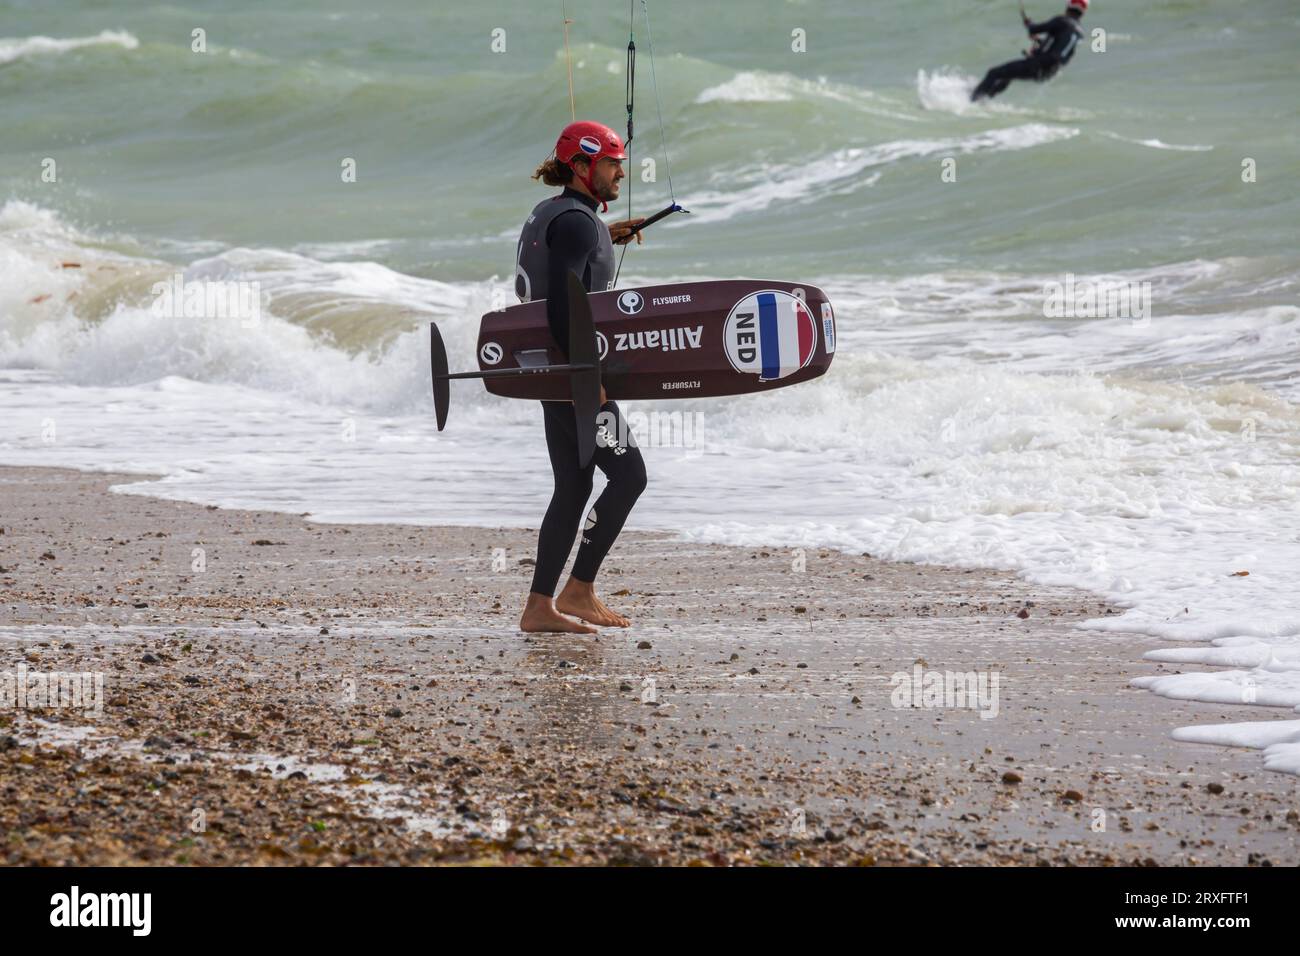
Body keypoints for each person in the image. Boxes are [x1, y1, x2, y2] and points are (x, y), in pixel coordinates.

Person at [514, 120, 648, 634]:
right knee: (629, 475)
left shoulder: (559, 215)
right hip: (570, 372)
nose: (621, 171)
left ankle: (539, 607)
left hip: (550, 370)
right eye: (612, 163)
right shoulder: (576, 222)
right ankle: (578, 589)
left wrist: (605, 239)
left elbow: (559, 273)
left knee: (573, 485)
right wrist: (584, 374)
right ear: (579, 166)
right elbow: (562, 304)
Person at [971, 0, 1088, 102]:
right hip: (1050, 72)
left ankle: (972, 100)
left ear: (1068, 7)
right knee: (1007, 77)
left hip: (1039, 64)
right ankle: (983, 99)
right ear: (1083, 12)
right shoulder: (1080, 32)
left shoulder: (1062, 21)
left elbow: (1034, 29)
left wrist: (1029, 24)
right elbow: (1060, 50)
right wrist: (1040, 43)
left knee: (994, 73)